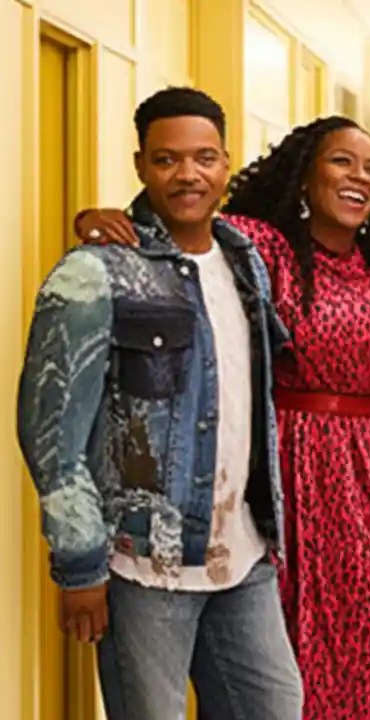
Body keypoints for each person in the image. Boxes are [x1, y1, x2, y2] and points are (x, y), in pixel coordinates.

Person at [71, 115, 370, 719]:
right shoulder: (261, 248)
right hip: (291, 468)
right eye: (342, 162)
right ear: (304, 175)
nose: (361, 177)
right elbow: (183, 222)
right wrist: (101, 220)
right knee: (296, 658)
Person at [17, 87, 303, 719]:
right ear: (142, 164)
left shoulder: (243, 259)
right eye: (167, 160)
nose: (188, 175)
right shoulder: (95, 272)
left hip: (244, 555)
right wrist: (80, 566)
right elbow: (52, 435)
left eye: (204, 157)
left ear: (227, 163)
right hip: (144, 564)